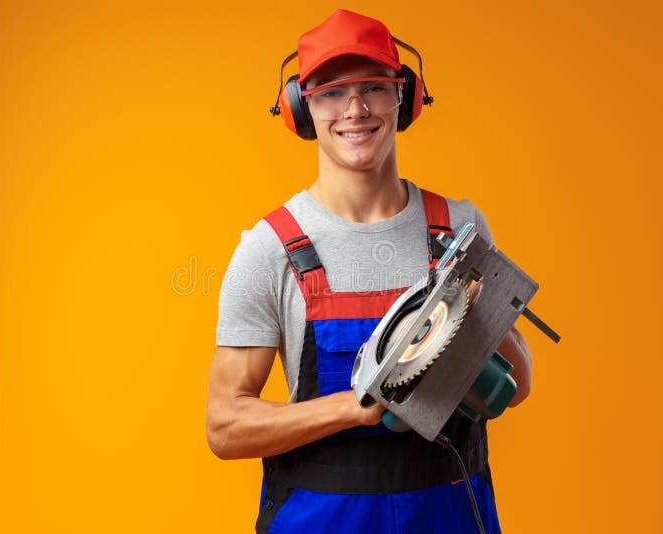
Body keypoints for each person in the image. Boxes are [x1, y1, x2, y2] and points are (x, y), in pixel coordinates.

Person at [206, 9, 532, 533]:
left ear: (405, 96)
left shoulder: (458, 227)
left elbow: (515, 388)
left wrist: (476, 302)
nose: (355, 109)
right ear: (300, 108)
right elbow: (224, 427)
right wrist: (353, 407)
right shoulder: (271, 248)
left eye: (374, 87)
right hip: (322, 519)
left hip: (449, 514)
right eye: (331, 92)